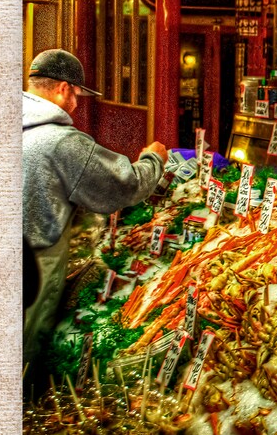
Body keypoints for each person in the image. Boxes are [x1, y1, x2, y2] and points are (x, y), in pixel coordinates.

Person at [23, 48, 168, 383]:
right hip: (34, 263)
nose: (76, 105)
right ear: (62, 89)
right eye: (76, 95)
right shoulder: (59, 141)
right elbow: (122, 185)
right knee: (22, 354)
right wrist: (153, 160)